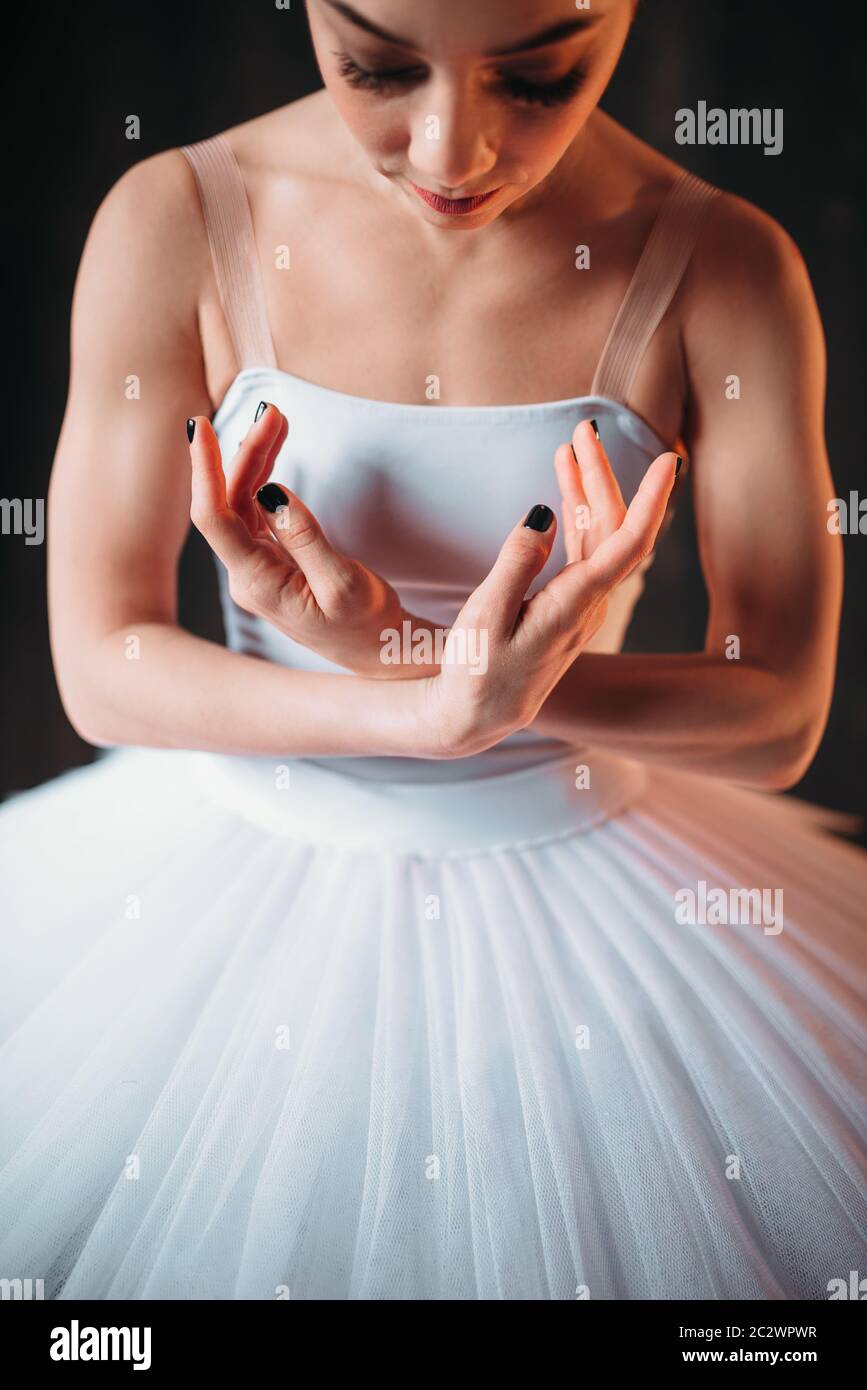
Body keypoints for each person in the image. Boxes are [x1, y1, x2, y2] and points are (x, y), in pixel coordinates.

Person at [1, 0, 865, 1300]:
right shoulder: (173, 218)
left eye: (539, 76)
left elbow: (778, 711)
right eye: (377, 65)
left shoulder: (729, 265)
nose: (453, 151)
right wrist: (426, 708)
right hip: (217, 904)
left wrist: (412, 660)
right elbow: (103, 661)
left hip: (614, 911)